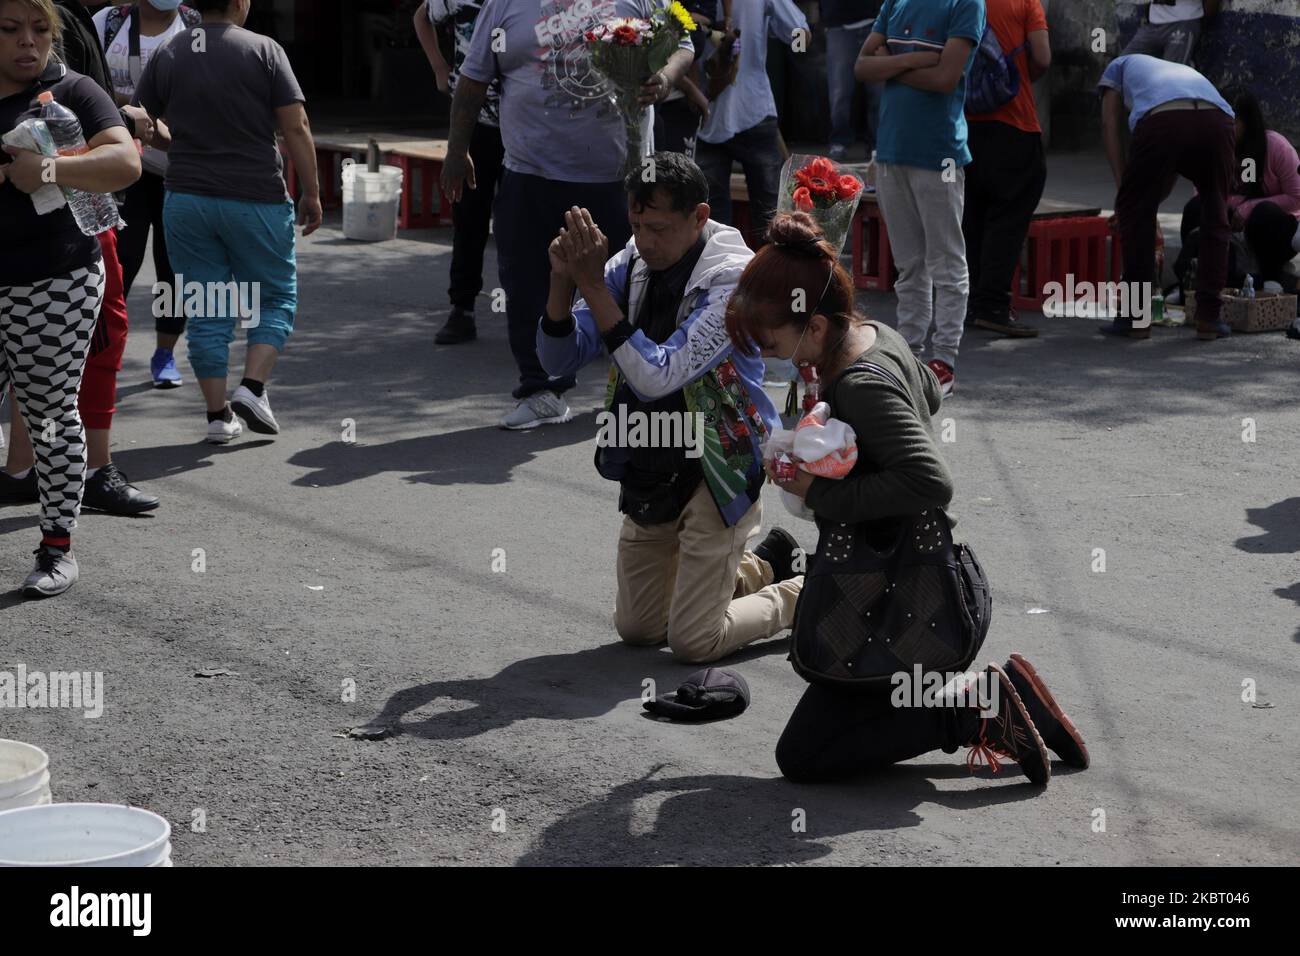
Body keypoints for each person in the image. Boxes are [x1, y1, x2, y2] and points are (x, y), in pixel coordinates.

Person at [723, 212, 1088, 785]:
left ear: (815, 327)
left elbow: (929, 479)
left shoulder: (859, 382)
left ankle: (975, 712)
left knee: (804, 755)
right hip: (920, 585)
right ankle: (1001, 698)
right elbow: (929, 397)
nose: (775, 357)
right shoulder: (875, 335)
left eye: (774, 342)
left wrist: (820, 490)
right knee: (828, 724)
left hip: (899, 599)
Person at [536, 153, 803, 663]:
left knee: (693, 641)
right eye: (636, 225)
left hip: (718, 468)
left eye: (658, 227)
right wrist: (562, 281)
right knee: (638, 629)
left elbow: (657, 375)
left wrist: (591, 287)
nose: (645, 240)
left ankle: (805, 596)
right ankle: (758, 567)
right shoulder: (626, 265)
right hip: (650, 461)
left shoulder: (733, 281)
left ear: (700, 216)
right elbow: (557, 360)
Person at [446, 0, 696, 431]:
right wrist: (456, 150)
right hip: (531, 171)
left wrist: (664, 76)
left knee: (636, 284)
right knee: (527, 284)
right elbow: (472, 79)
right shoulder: (504, 4)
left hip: (622, 177)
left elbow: (683, 43)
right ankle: (542, 389)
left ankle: (642, 388)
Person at [0, 0, 142, 596]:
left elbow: (126, 161)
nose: (27, 43)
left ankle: (57, 547)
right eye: (9, 30)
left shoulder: (75, 90)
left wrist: (50, 168)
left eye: (39, 30)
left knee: (53, 417)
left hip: (54, 280)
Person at [134, 0, 322, 443]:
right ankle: (253, 388)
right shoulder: (265, 50)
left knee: (205, 305)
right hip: (255, 197)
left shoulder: (171, 50)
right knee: (275, 296)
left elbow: (142, 120)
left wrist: (177, 139)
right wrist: (312, 192)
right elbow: (295, 127)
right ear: (241, 2)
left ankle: (218, 417)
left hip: (186, 198)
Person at [855, 0, 984, 399]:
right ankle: (907, 353)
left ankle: (944, 359)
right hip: (892, 152)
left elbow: (947, 77)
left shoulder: (967, 3)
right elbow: (861, 67)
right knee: (909, 265)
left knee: (945, 262)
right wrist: (915, 61)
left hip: (938, 154)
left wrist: (892, 61)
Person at [93, 0, 199, 386]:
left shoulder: (195, 27)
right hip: (122, 167)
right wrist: (127, 112)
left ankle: (165, 355)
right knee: (119, 263)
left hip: (178, 170)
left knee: (174, 269)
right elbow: (83, 81)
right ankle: (101, 354)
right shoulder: (107, 23)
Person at [1099, 53, 1234, 340]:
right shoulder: (1174, 72)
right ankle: (1209, 317)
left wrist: (1127, 195)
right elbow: (1170, 166)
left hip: (1165, 122)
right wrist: (1144, 198)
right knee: (1216, 211)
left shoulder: (1115, 69)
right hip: (1218, 120)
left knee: (1136, 213)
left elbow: (1109, 125)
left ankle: (1135, 318)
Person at [413, 0, 503, 346]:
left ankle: (537, 308)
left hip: (524, 124)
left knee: (523, 220)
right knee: (469, 215)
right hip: (472, 121)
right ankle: (462, 308)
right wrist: (438, 66)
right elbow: (422, 16)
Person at [962, 0, 1050, 338]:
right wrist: (1019, 74)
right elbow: (1042, 58)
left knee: (971, 215)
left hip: (964, 127)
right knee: (1008, 216)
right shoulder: (1025, 2)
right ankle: (992, 304)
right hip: (1015, 125)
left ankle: (971, 302)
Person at [693, 0, 808, 246]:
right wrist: (798, 44)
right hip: (709, 115)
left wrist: (797, 45)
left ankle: (770, 278)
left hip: (747, 112)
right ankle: (725, 280)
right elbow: (799, 31)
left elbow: (798, 32)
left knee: (770, 222)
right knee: (713, 225)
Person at [1175, 90, 1300, 298]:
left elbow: (1296, 196)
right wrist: (1229, 207)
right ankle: (1190, 280)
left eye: (1232, 123)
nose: (1224, 129)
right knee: (1196, 208)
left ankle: (1273, 279)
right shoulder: (1215, 146)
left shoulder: (1276, 147)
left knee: (1263, 213)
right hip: (1229, 226)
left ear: (1247, 122)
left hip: (1270, 231)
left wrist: (1248, 208)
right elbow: (1202, 190)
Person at [821, 0, 881, 162]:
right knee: (839, 92)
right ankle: (839, 141)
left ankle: (878, 143)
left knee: (878, 92)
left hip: (876, 23)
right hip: (839, 23)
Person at [1121, 0, 1219, 67]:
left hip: (1183, 23)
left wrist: (1198, 23)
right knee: (1119, 68)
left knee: (1172, 75)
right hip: (1154, 23)